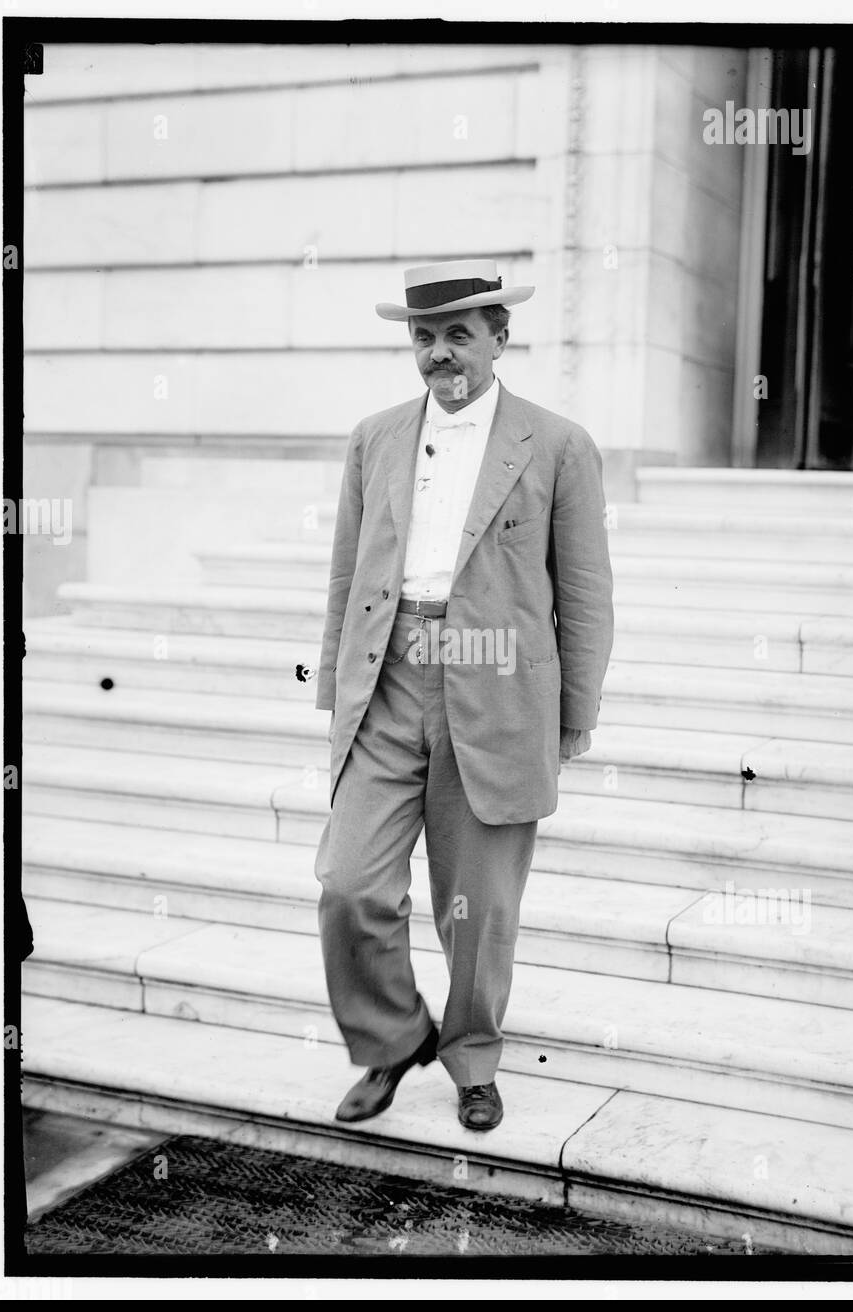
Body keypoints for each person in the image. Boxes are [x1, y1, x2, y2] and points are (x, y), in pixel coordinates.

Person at [314, 258, 614, 1132]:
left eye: (456, 335)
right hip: (386, 680)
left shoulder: (556, 444)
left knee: (476, 906)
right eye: (423, 337)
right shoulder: (373, 437)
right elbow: (345, 575)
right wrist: (335, 685)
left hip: (496, 689)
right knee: (347, 884)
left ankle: (472, 1057)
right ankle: (392, 1037)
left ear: (497, 338)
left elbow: (585, 590)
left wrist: (575, 711)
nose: (438, 353)